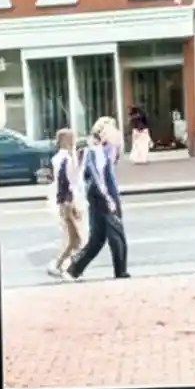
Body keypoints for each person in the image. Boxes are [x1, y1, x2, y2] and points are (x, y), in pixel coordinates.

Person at [67, 117, 129, 280]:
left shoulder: (98, 150)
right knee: (117, 235)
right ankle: (120, 271)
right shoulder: (99, 151)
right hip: (102, 195)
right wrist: (109, 199)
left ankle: (74, 268)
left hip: (97, 195)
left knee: (98, 238)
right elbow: (99, 177)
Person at [46, 128, 86, 279]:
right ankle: (63, 267)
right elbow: (68, 181)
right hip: (68, 201)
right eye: (72, 139)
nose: (75, 142)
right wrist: (69, 202)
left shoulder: (60, 158)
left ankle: (65, 266)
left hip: (65, 201)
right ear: (66, 141)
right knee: (75, 239)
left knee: (74, 240)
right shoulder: (65, 159)